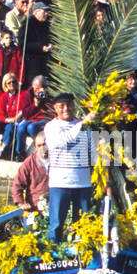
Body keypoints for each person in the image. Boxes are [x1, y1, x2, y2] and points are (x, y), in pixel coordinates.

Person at [43, 93, 97, 242]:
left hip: (83, 183)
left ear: (73, 106)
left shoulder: (84, 127)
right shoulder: (51, 127)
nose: (66, 109)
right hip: (60, 183)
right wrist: (82, 123)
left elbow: (92, 152)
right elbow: (62, 141)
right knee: (57, 224)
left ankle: (82, 253)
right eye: (61, 106)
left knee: (82, 224)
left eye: (69, 105)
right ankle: (53, 253)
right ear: (55, 108)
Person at [11, 132, 49, 213]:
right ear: (35, 147)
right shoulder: (29, 162)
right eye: (39, 146)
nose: (42, 148)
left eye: (45, 144)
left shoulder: (58, 160)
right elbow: (17, 185)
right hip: (34, 209)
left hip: (55, 207)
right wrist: (21, 203)